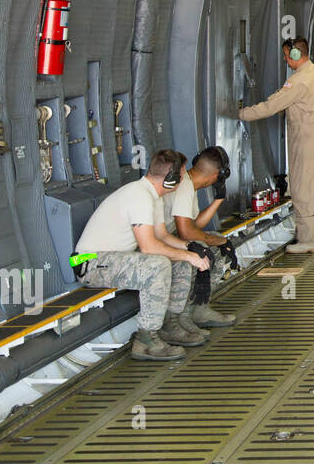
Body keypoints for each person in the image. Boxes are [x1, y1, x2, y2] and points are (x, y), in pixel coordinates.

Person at [72, 149, 212, 361]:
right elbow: (148, 247)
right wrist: (186, 255)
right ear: (170, 179)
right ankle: (146, 339)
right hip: (89, 262)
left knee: (180, 261)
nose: (183, 180)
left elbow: (162, 236)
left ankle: (169, 323)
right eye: (182, 176)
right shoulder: (138, 195)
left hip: (114, 259)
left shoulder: (152, 196)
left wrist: (189, 248)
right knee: (158, 265)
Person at [238, 37, 314, 254]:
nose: (285, 59)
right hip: (313, 135)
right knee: (305, 185)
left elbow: (272, 106)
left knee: (303, 188)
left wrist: (240, 114)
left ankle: (310, 240)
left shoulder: (299, 80)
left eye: (287, 55)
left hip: (307, 138)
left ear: (296, 55)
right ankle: (306, 234)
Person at [164, 146, 237, 329]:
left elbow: (194, 226)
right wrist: (218, 241)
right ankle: (181, 316)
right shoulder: (185, 187)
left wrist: (218, 200)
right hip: (161, 241)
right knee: (203, 247)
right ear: (218, 175)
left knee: (213, 242)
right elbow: (187, 234)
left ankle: (200, 309)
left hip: (169, 237)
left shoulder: (190, 184)